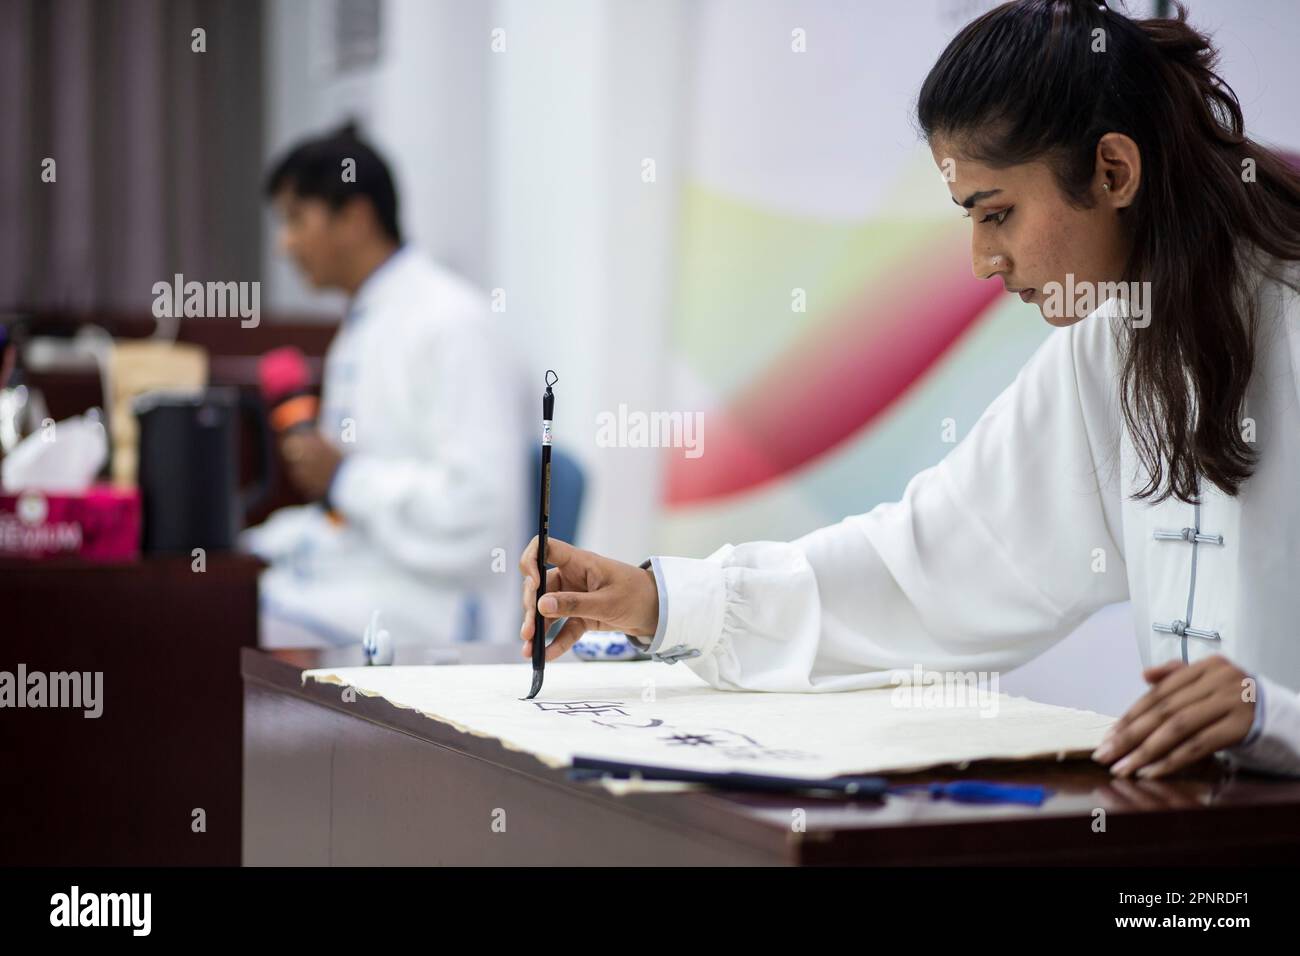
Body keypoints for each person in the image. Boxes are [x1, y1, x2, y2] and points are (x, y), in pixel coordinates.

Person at [517, 0, 1300, 778]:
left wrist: (1273, 715)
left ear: (1113, 171)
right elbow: (919, 569)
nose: (981, 260)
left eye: (997, 214)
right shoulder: (1113, 345)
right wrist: (663, 600)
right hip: (1210, 839)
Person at [245, 123, 528, 649]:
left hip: (441, 609)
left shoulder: (450, 322)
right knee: (213, 596)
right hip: (367, 581)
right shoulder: (367, 322)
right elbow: (352, 519)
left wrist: (345, 478)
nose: (286, 244)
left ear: (354, 218)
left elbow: (478, 510)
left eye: (296, 220)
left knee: (214, 622)